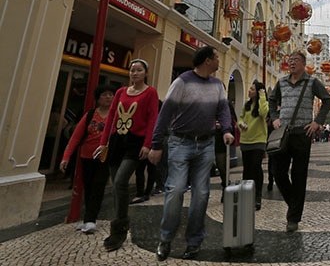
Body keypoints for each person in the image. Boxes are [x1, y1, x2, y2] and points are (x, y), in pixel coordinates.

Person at [147, 46, 234, 261]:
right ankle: (165, 238)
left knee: (201, 194)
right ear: (206, 60)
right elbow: (165, 114)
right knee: (175, 190)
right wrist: (156, 145)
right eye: (215, 57)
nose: (218, 61)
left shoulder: (217, 85)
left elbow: (223, 110)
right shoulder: (182, 81)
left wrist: (226, 130)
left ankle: (194, 242)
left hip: (206, 145)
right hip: (180, 142)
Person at [94, 59, 159, 252]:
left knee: (121, 181)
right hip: (117, 141)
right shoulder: (121, 92)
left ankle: (119, 227)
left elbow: (152, 119)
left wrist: (148, 145)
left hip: (135, 143)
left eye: (139, 70)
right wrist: (103, 143)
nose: (135, 73)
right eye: (132, 70)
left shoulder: (150, 92)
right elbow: (112, 116)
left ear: (145, 73)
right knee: (116, 185)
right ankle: (122, 222)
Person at [268, 50, 330, 233]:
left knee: (299, 176)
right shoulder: (281, 82)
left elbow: (327, 100)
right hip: (283, 134)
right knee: (277, 172)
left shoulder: (312, 82)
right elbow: (272, 101)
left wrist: (317, 122)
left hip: (302, 134)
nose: (291, 63)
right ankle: (294, 204)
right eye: (290, 60)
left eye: (295, 60)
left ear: (304, 63)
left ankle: (293, 218)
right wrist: (274, 118)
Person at [60, 84, 116, 235]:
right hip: (87, 156)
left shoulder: (116, 115)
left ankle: (91, 219)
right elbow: (76, 137)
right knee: (89, 187)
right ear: (98, 98)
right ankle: (88, 218)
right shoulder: (90, 115)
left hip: (105, 157)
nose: (108, 97)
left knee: (98, 186)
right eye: (104, 94)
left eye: (111, 94)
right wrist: (66, 157)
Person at [238, 81, 268, 210]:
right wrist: (241, 124)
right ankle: (246, 195)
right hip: (245, 140)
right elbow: (240, 118)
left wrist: (262, 95)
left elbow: (263, 113)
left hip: (259, 140)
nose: (249, 90)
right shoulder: (247, 105)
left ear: (259, 92)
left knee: (256, 167)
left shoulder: (263, 103)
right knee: (247, 169)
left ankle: (257, 196)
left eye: (252, 89)